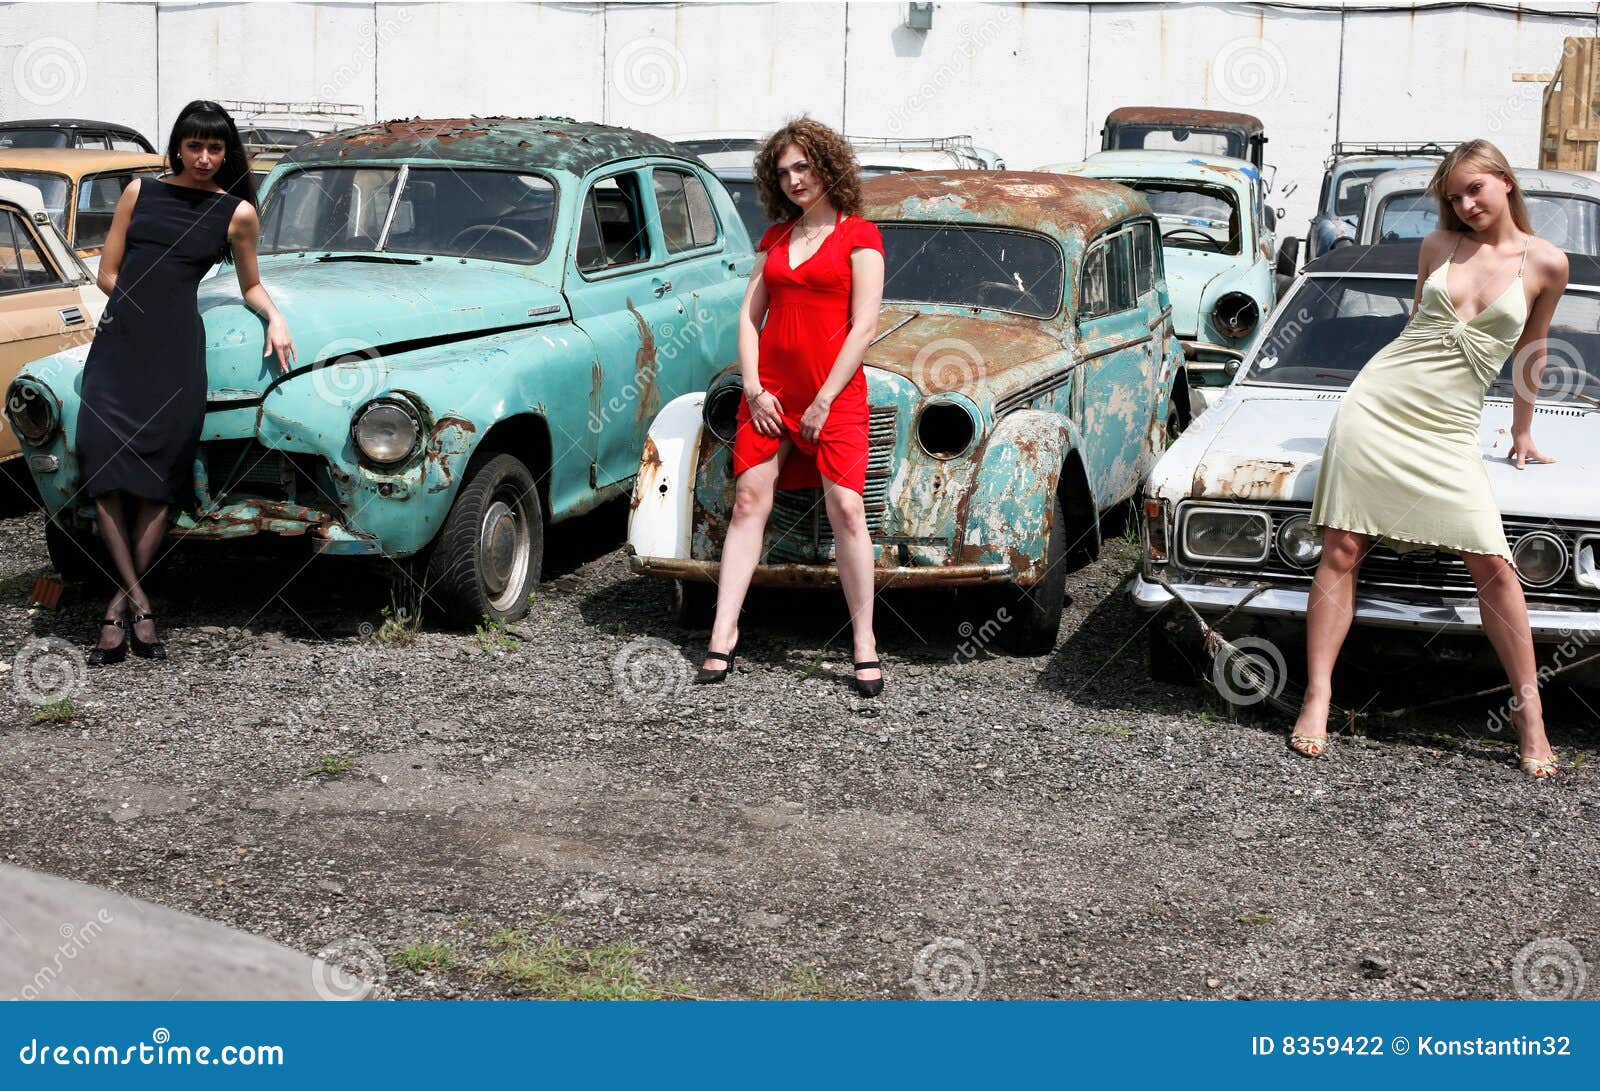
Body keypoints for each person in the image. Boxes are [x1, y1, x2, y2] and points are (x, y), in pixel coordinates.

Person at [1292, 139, 1566, 777]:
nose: (1466, 205)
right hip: (1381, 403)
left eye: (1476, 189)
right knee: (1341, 547)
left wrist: (1522, 432)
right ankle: (1318, 694)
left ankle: (1530, 715)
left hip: (1451, 425)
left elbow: (1534, 351)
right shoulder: (1438, 248)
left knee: (1494, 566)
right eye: (1454, 197)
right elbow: (1417, 325)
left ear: (1504, 181)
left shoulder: (1547, 264)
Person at [77, 100, 296, 665]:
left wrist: (274, 316)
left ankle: (119, 608)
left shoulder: (237, 212)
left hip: (177, 353)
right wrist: (131, 310)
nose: (204, 157)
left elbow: (251, 284)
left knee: (158, 479)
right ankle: (135, 605)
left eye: (215, 147)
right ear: (177, 146)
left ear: (227, 152)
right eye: (194, 146)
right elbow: (107, 271)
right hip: (119, 346)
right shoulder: (138, 192)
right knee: (104, 473)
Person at [695, 118, 887, 696]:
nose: (794, 180)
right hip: (771, 391)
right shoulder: (774, 240)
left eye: (803, 167)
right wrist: (752, 387)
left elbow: (865, 326)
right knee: (748, 502)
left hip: (835, 394)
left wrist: (826, 397)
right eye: (783, 172)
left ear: (828, 167)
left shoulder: (861, 236)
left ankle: (864, 642)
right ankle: (723, 633)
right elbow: (749, 319)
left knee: (848, 511)